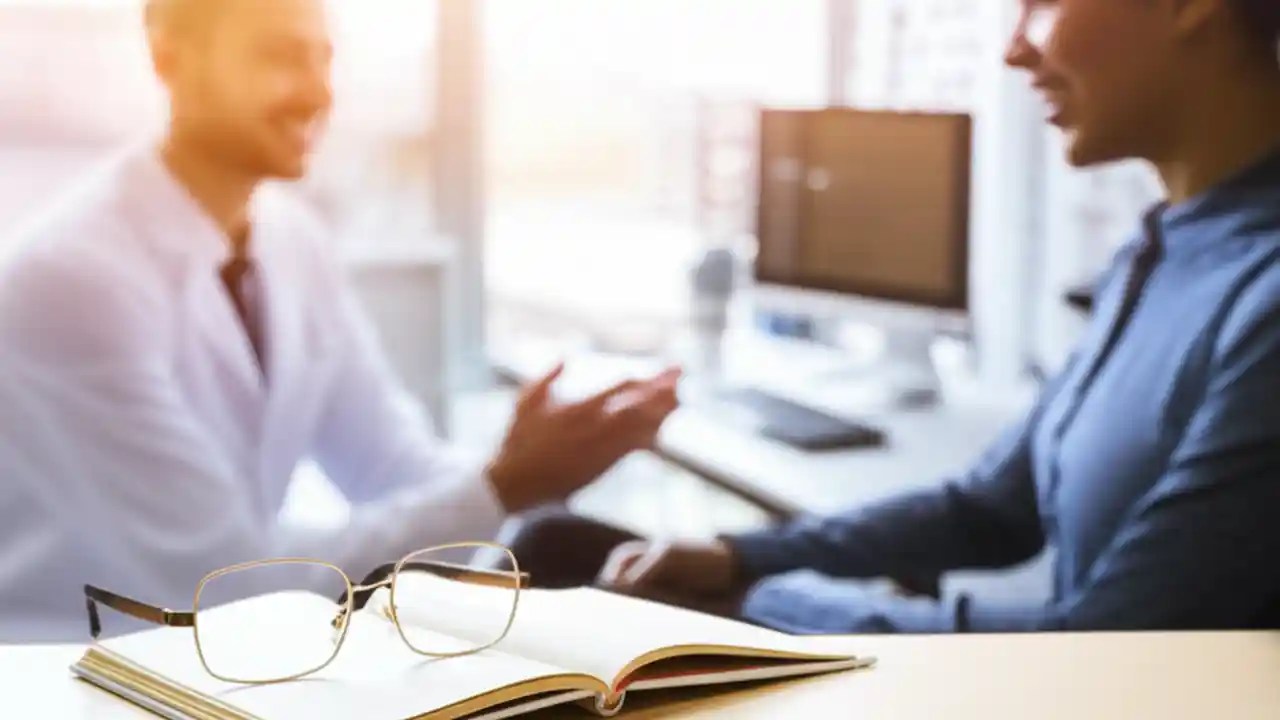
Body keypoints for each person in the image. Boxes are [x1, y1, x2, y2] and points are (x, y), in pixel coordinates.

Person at [504, 0, 1280, 633]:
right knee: (552, 547)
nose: (1014, 50)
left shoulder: (1262, 295)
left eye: (1041, 2)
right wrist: (743, 556)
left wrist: (752, 604)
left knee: (567, 570)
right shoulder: (1160, 250)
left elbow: (1103, 650)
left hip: (1086, 689)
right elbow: (991, 511)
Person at [0, 0, 679, 643]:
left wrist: (531, 466)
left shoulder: (293, 243)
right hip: (77, 665)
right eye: (280, 58)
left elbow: (396, 466)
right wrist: (506, 484)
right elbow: (229, 578)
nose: (318, 92)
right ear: (170, 59)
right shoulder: (73, 277)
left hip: (217, 655)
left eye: (324, 60)